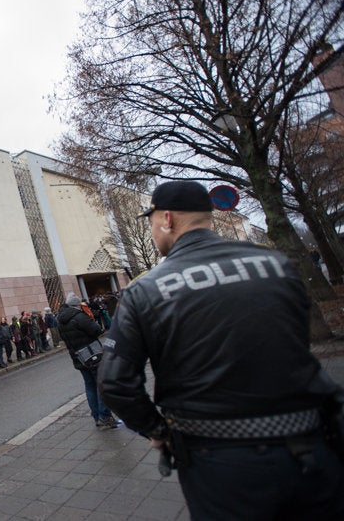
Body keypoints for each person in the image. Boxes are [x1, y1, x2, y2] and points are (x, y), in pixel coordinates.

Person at [98, 180, 344, 520]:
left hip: (220, 464)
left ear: (167, 218)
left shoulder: (145, 291)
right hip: (314, 445)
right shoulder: (276, 264)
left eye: (151, 222)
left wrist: (159, 432)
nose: (153, 232)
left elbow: (114, 383)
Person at [58, 292, 117, 429]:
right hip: (93, 355)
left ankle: (96, 417)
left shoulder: (60, 320)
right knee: (101, 384)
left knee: (90, 386)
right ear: (77, 304)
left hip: (78, 357)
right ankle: (105, 416)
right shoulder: (79, 316)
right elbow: (96, 330)